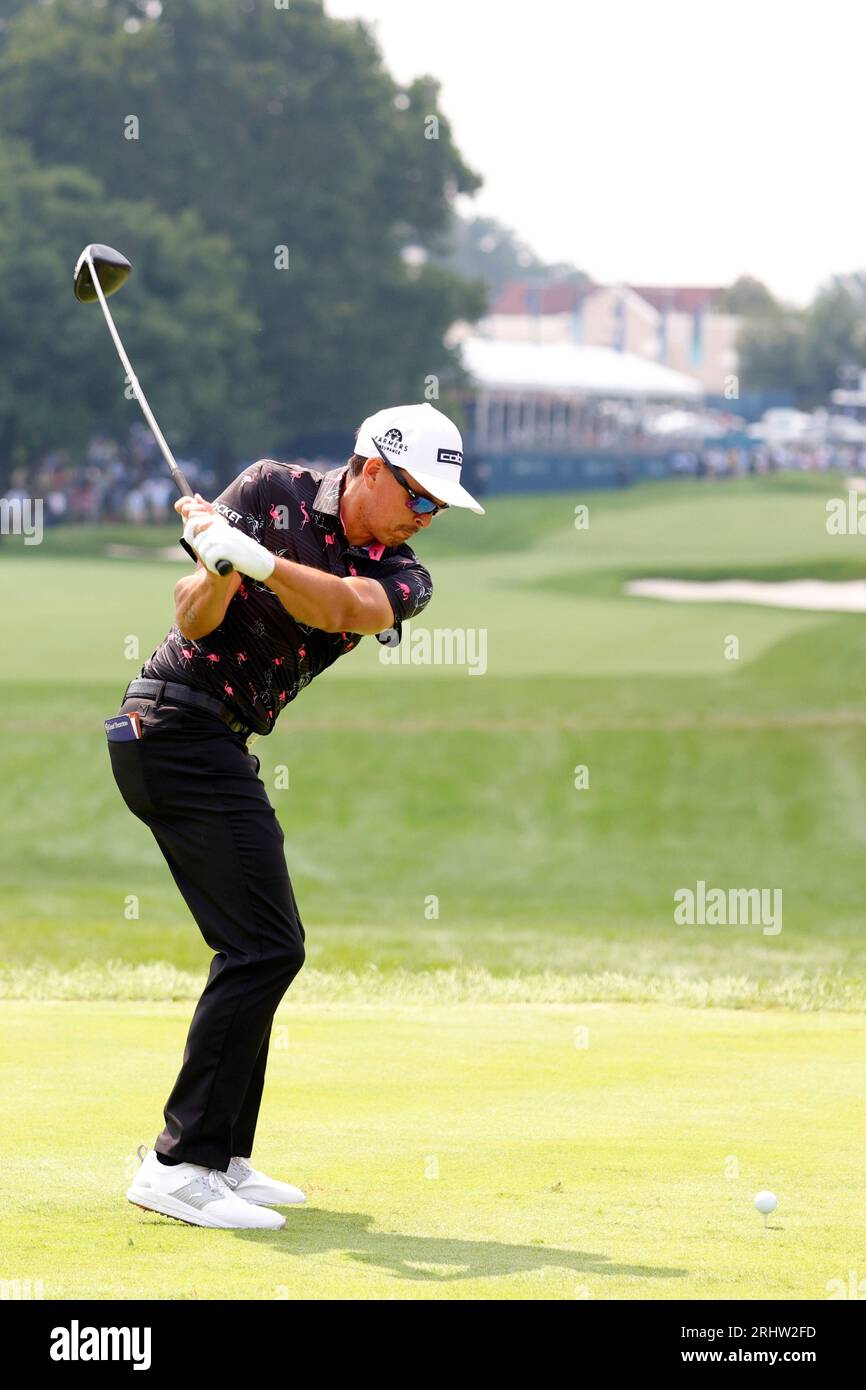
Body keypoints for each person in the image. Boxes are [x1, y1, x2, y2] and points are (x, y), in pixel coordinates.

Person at [106, 403, 484, 1229]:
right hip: (169, 727)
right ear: (371, 467)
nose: (428, 517)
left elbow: (347, 609)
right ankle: (178, 1164)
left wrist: (257, 562)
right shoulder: (270, 489)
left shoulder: (406, 573)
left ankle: (221, 1157)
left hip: (216, 741)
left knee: (265, 945)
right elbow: (193, 619)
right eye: (420, 496)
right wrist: (219, 567)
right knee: (264, 947)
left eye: (440, 506)